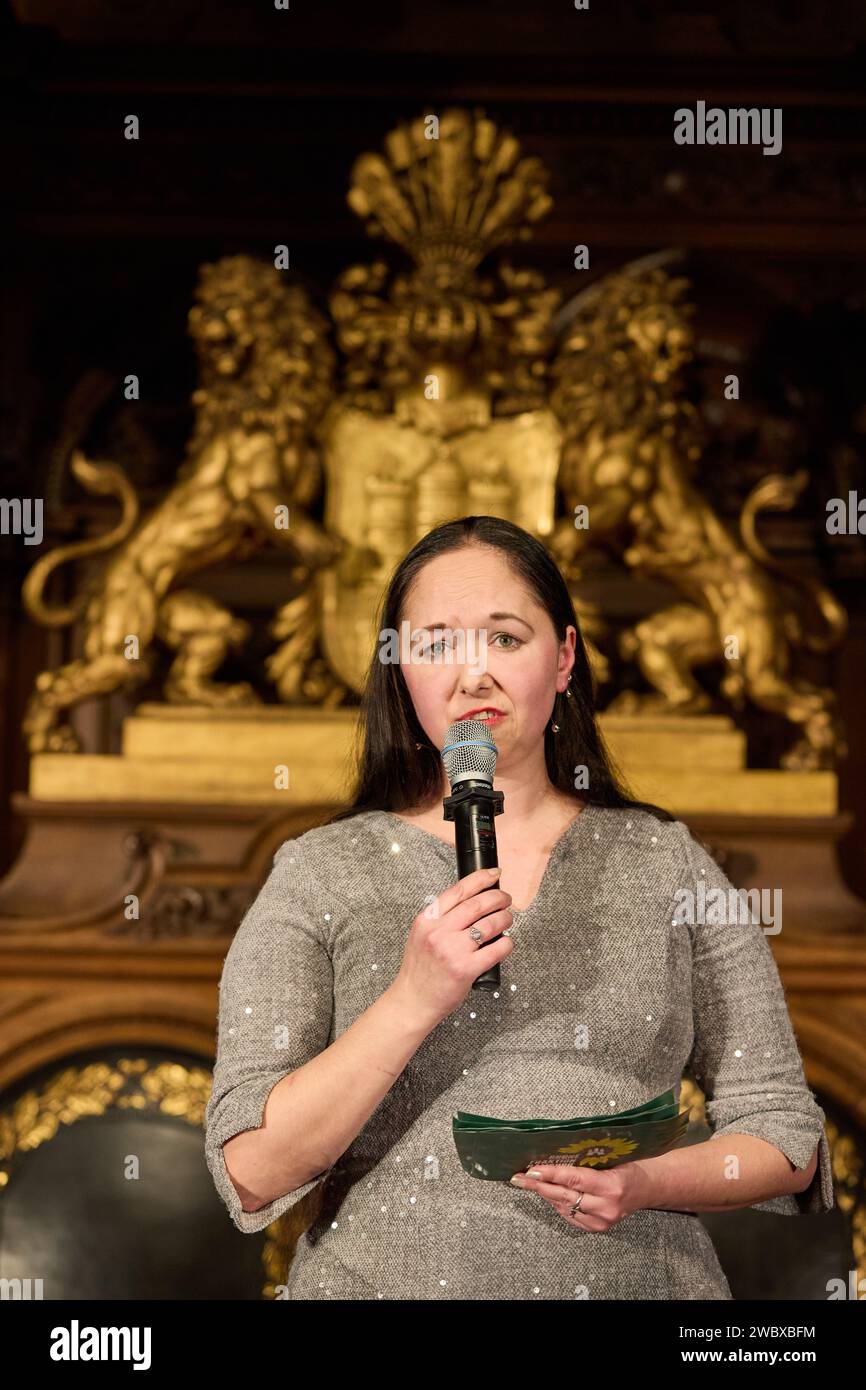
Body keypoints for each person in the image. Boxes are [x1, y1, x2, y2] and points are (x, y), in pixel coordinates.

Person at [204, 514, 832, 1299]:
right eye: (436, 644)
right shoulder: (322, 873)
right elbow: (252, 1170)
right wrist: (412, 997)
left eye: (506, 638)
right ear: (400, 669)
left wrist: (646, 1183)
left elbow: (785, 1136)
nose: (474, 676)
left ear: (564, 657)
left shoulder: (664, 861)